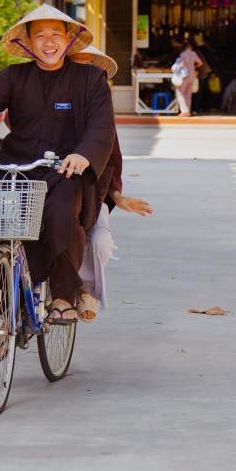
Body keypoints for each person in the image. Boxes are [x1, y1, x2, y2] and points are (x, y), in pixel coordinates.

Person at [0, 5, 115, 323]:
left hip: (65, 172)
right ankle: (4, 315)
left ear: (68, 38)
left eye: (56, 34)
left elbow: (102, 127)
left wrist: (84, 154)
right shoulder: (11, 77)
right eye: (41, 36)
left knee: (61, 216)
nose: (49, 42)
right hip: (16, 172)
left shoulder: (90, 79)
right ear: (28, 43)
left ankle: (62, 296)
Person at [68, 45, 153, 322]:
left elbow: (112, 160)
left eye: (89, 68)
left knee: (99, 241)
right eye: (75, 65)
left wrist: (117, 196)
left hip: (92, 194)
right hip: (50, 187)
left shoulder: (101, 113)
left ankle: (85, 290)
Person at [173, 38, 203, 117]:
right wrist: (194, 67)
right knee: (188, 94)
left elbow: (181, 65)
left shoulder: (182, 55)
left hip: (184, 76)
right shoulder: (193, 54)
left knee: (180, 93)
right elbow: (200, 63)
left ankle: (184, 111)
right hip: (192, 75)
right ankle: (188, 111)